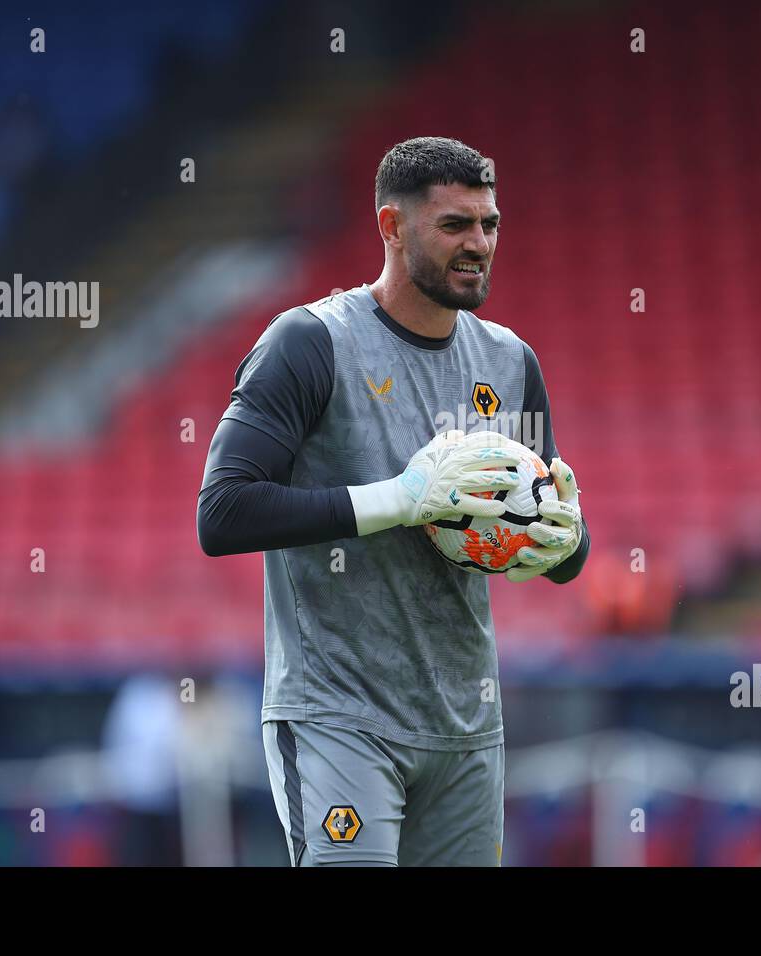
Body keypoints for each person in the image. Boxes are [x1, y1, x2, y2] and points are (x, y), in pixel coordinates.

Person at [196, 137, 590, 866]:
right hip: (339, 720)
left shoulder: (511, 362)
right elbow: (221, 514)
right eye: (454, 226)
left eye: (490, 224)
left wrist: (567, 542)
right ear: (391, 226)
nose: (479, 244)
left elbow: (557, 544)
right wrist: (400, 500)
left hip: (467, 730)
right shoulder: (310, 343)